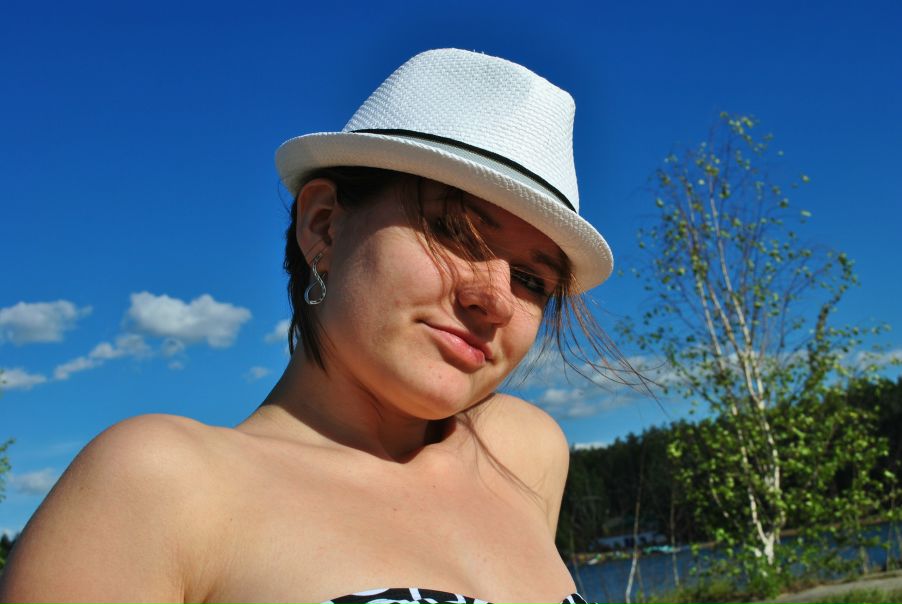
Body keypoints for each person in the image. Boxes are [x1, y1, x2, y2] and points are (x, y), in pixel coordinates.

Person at [0, 49, 621, 604]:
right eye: (454, 233)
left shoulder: (522, 452)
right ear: (323, 224)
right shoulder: (160, 486)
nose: (496, 300)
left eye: (531, 280)